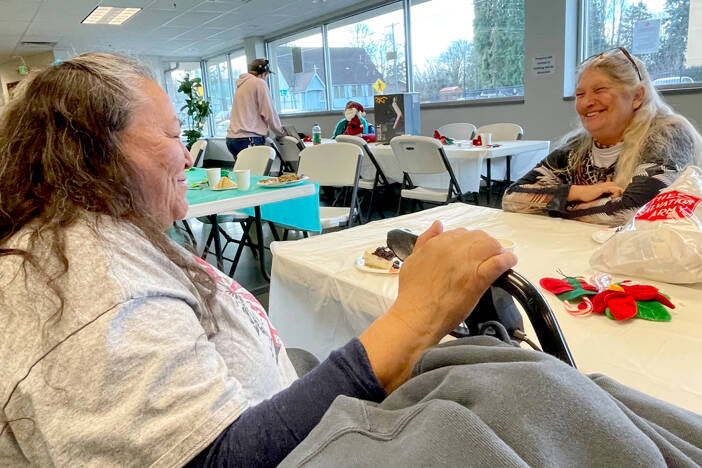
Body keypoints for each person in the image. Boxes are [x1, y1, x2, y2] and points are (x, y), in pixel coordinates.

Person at [0, 53, 516, 466]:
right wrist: (414, 319)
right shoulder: (91, 287)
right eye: (174, 135)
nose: (188, 157)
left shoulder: (96, 239)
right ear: (92, 151)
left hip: (268, 399)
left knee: (489, 383)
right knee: (516, 396)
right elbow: (217, 456)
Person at [502, 47, 702, 226]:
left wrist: (554, 203)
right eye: (580, 94)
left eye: (600, 90)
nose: (587, 102)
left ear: (637, 96)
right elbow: (512, 197)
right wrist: (575, 192)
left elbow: (631, 211)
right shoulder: (575, 149)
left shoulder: (669, 135)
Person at [225, 58, 284, 158]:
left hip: (232, 139)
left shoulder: (241, 85)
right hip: (248, 139)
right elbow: (269, 112)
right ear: (264, 73)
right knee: (256, 173)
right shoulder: (259, 83)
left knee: (244, 173)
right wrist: (280, 132)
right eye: (267, 76)